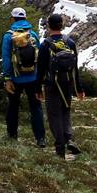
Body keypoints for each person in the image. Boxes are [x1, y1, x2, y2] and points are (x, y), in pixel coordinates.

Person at [36, 13, 83, 158]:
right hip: (67, 84)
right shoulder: (70, 43)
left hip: (51, 86)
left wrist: (38, 89)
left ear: (48, 26)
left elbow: (41, 69)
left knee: (54, 115)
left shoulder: (45, 45)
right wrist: (79, 89)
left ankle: (60, 149)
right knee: (65, 112)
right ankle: (69, 139)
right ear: (62, 25)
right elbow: (75, 68)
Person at [1, 7, 46, 147]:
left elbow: (6, 59)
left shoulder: (8, 36)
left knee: (13, 106)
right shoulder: (33, 35)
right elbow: (39, 58)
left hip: (15, 78)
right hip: (33, 78)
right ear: (25, 18)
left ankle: (12, 135)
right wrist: (40, 79)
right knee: (36, 107)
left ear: (12, 18)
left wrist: (7, 78)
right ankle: (40, 139)